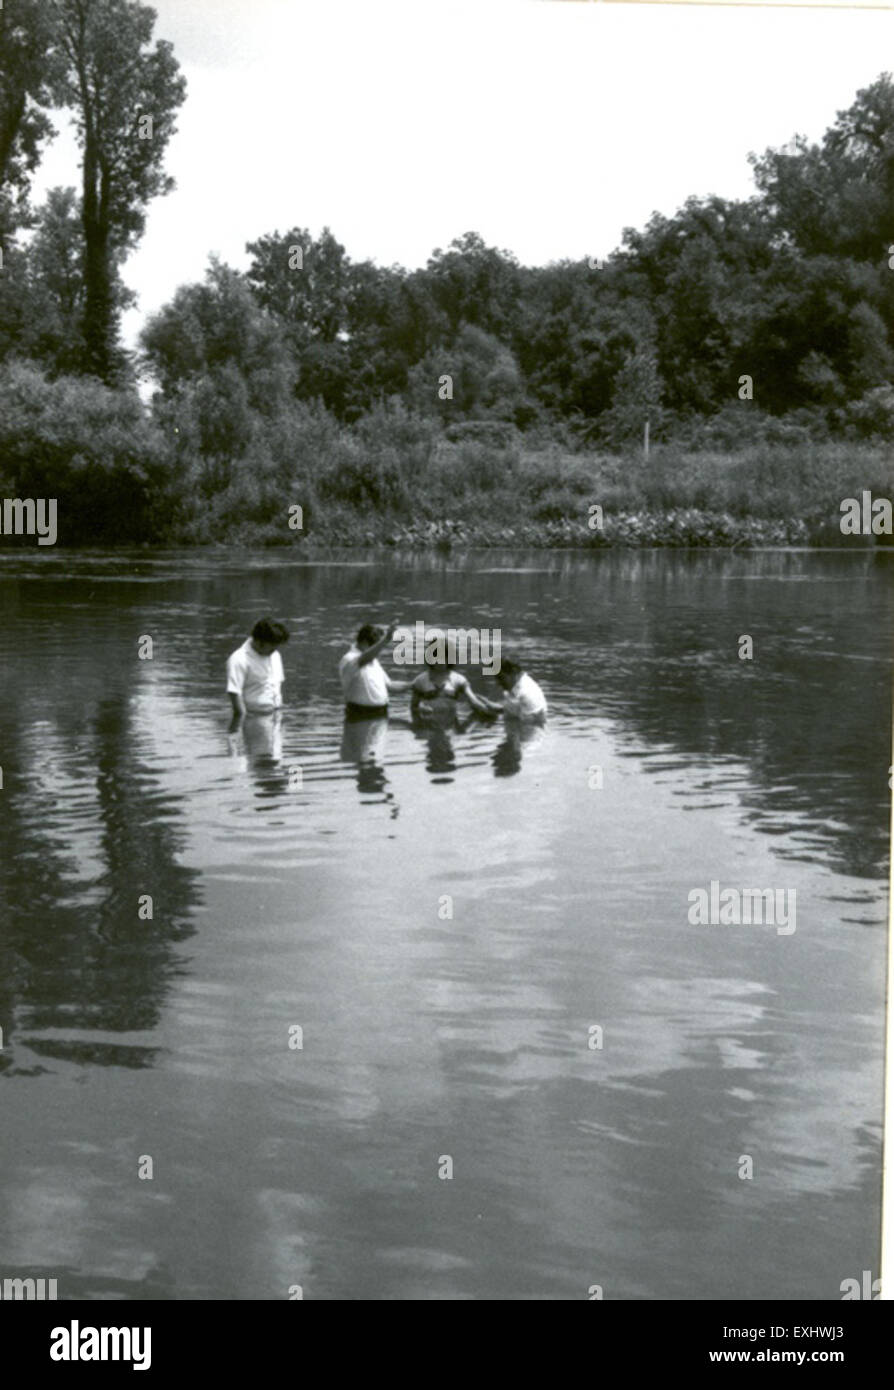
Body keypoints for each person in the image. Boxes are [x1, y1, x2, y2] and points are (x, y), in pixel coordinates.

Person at [339, 621, 411, 718]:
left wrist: (413, 684)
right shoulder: (349, 658)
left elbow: (390, 685)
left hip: (381, 714)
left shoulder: (373, 661)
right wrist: (386, 639)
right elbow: (362, 660)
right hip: (359, 715)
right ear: (364, 642)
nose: (378, 651)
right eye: (376, 646)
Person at [227, 618, 290, 723]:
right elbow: (234, 693)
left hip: (276, 716)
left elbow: (277, 687)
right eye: (271, 647)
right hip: (253, 718)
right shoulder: (239, 659)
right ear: (259, 641)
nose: (274, 650)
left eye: (276, 647)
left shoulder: (276, 656)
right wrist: (241, 725)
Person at [410, 658, 495, 719]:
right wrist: (421, 709)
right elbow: (413, 707)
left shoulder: (459, 679)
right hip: (428, 721)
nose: (440, 661)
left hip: (450, 721)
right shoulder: (420, 680)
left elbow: (473, 700)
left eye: (444, 658)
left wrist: (488, 712)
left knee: (463, 731)